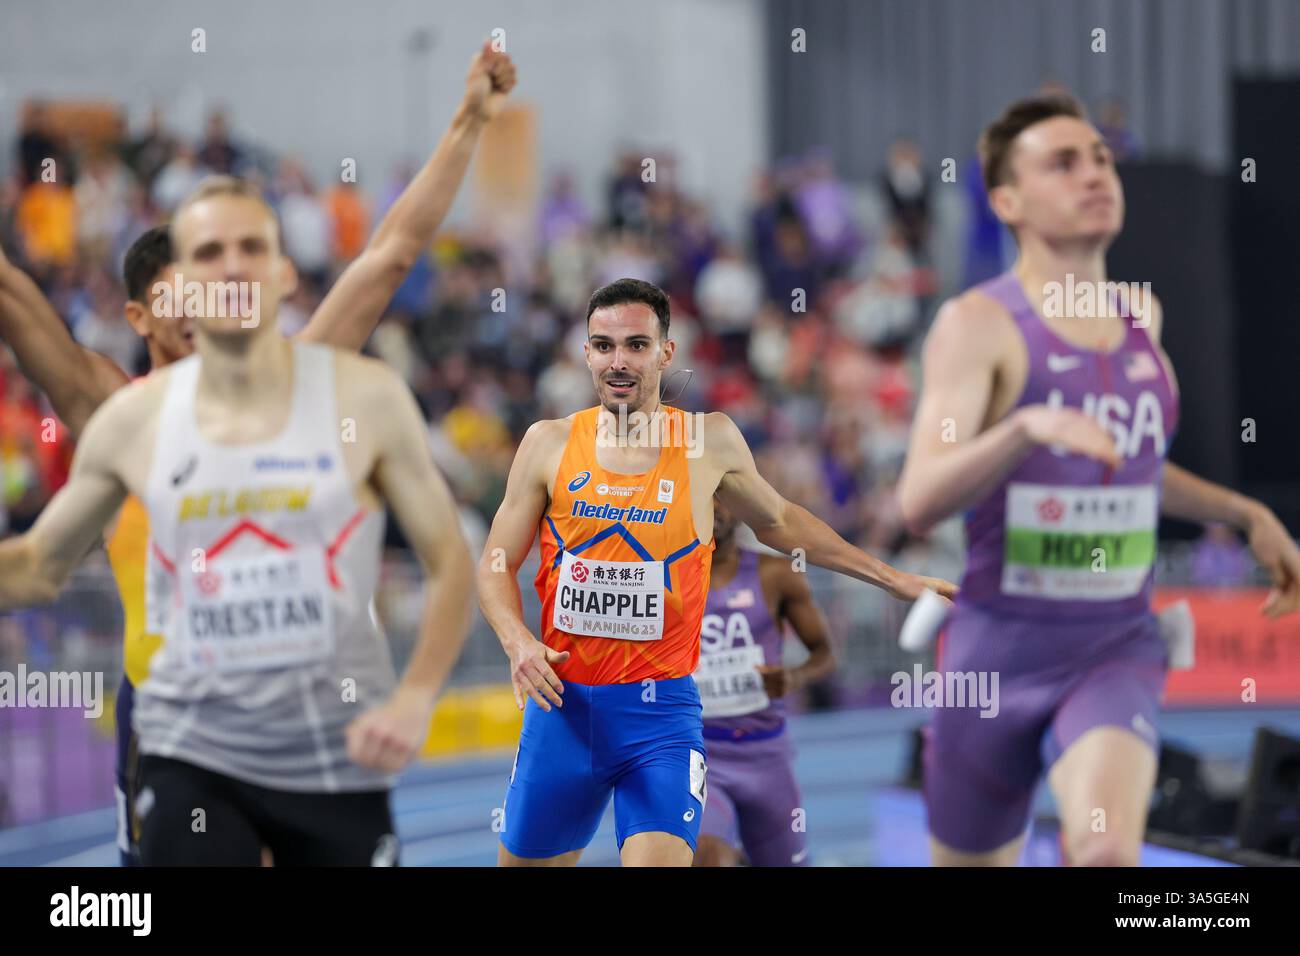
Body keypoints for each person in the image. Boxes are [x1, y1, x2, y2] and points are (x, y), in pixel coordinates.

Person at [0, 41, 516, 864]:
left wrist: (464, 124)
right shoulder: (121, 413)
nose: (218, 281)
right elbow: (19, 313)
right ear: (143, 314)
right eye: (196, 267)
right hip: (177, 724)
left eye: (242, 256)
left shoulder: (310, 382)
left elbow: (387, 259)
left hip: (311, 715)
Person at [896, 92, 1300, 867]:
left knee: (1108, 853)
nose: (1094, 174)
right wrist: (1023, 429)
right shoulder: (976, 325)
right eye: (1063, 162)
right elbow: (920, 499)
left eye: (1101, 159)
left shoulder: (1141, 320)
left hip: (1113, 645)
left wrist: (1246, 513)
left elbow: (1140, 473)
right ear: (1007, 200)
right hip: (993, 656)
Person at [476, 277, 955, 867]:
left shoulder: (708, 442)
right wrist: (517, 640)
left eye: (635, 345)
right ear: (586, 352)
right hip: (562, 715)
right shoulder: (548, 444)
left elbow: (782, 521)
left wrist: (895, 579)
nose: (618, 362)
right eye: (603, 346)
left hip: (658, 720)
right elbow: (497, 563)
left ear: (666, 353)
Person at [691, 494, 833, 867]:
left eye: (723, 500)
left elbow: (824, 654)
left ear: (741, 506)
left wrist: (794, 676)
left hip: (767, 755)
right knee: (707, 858)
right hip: (699, 754)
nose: (715, 510)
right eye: (705, 499)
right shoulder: (667, 579)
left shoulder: (777, 575)